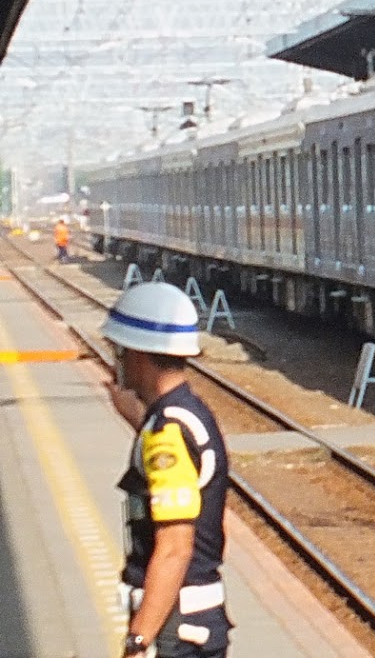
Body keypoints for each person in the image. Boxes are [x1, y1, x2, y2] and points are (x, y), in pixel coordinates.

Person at [104, 282, 231, 658]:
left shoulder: (169, 432)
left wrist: (138, 641)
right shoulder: (183, 413)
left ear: (141, 354)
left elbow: (175, 548)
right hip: (188, 623)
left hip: (176, 630)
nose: (118, 361)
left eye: (120, 351)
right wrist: (140, 420)